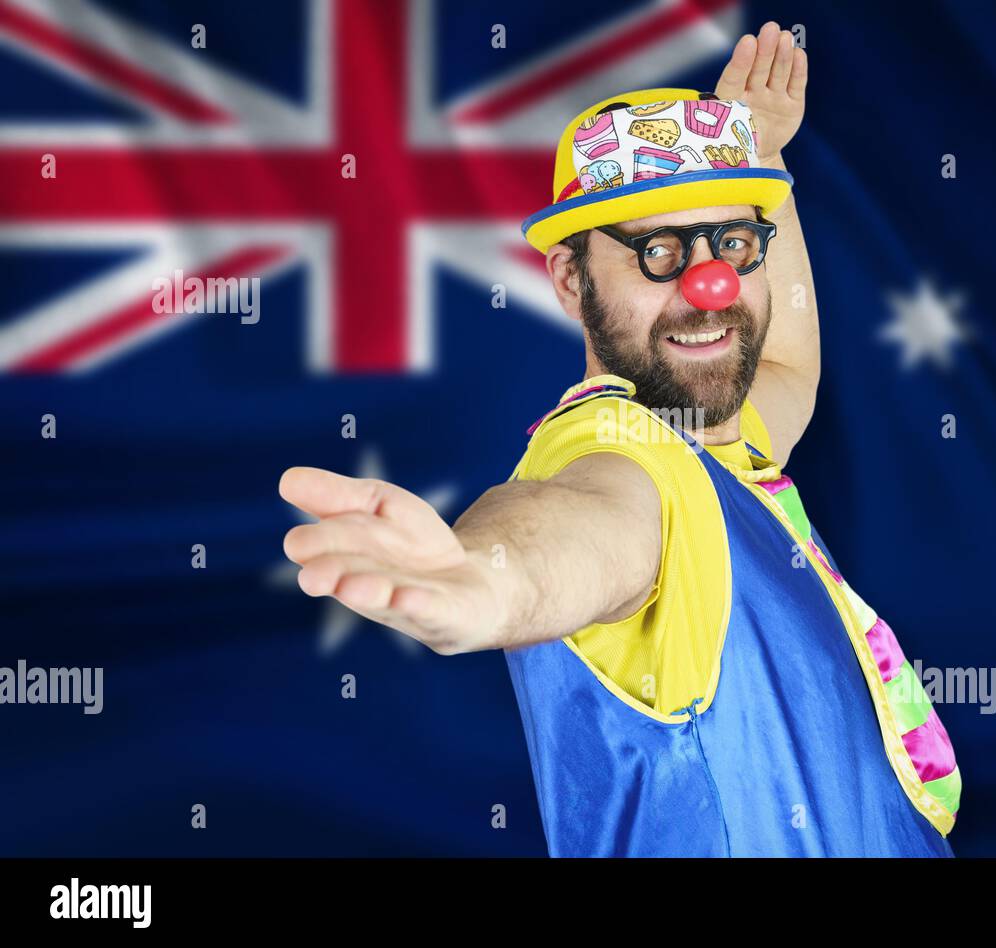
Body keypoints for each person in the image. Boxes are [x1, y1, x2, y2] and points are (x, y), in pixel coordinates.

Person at [280, 22, 960, 856]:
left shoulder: (723, 450)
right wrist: (487, 581)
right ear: (570, 280)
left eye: (734, 245)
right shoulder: (622, 449)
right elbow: (587, 522)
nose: (710, 289)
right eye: (661, 251)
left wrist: (766, 165)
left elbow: (788, 366)